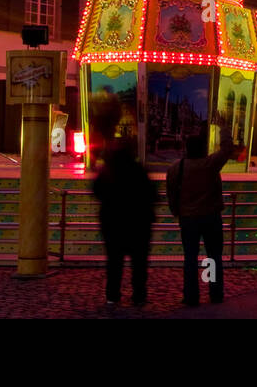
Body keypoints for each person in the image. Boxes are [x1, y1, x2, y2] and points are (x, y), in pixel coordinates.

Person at [166, 124, 235, 306]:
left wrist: (176, 212)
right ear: (203, 149)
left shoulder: (175, 168)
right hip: (210, 217)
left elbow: (171, 194)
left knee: (190, 257)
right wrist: (224, 128)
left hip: (188, 218)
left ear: (187, 148)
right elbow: (227, 149)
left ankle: (191, 296)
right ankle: (214, 292)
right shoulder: (210, 164)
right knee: (212, 256)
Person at [92, 140, 155, 307]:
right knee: (139, 264)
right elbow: (152, 195)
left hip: (113, 225)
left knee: (114, 263)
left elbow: (96, 191)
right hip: (138, 225)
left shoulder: (108, 171)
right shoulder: (139, 171)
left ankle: (112, 295)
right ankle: (139, 294)